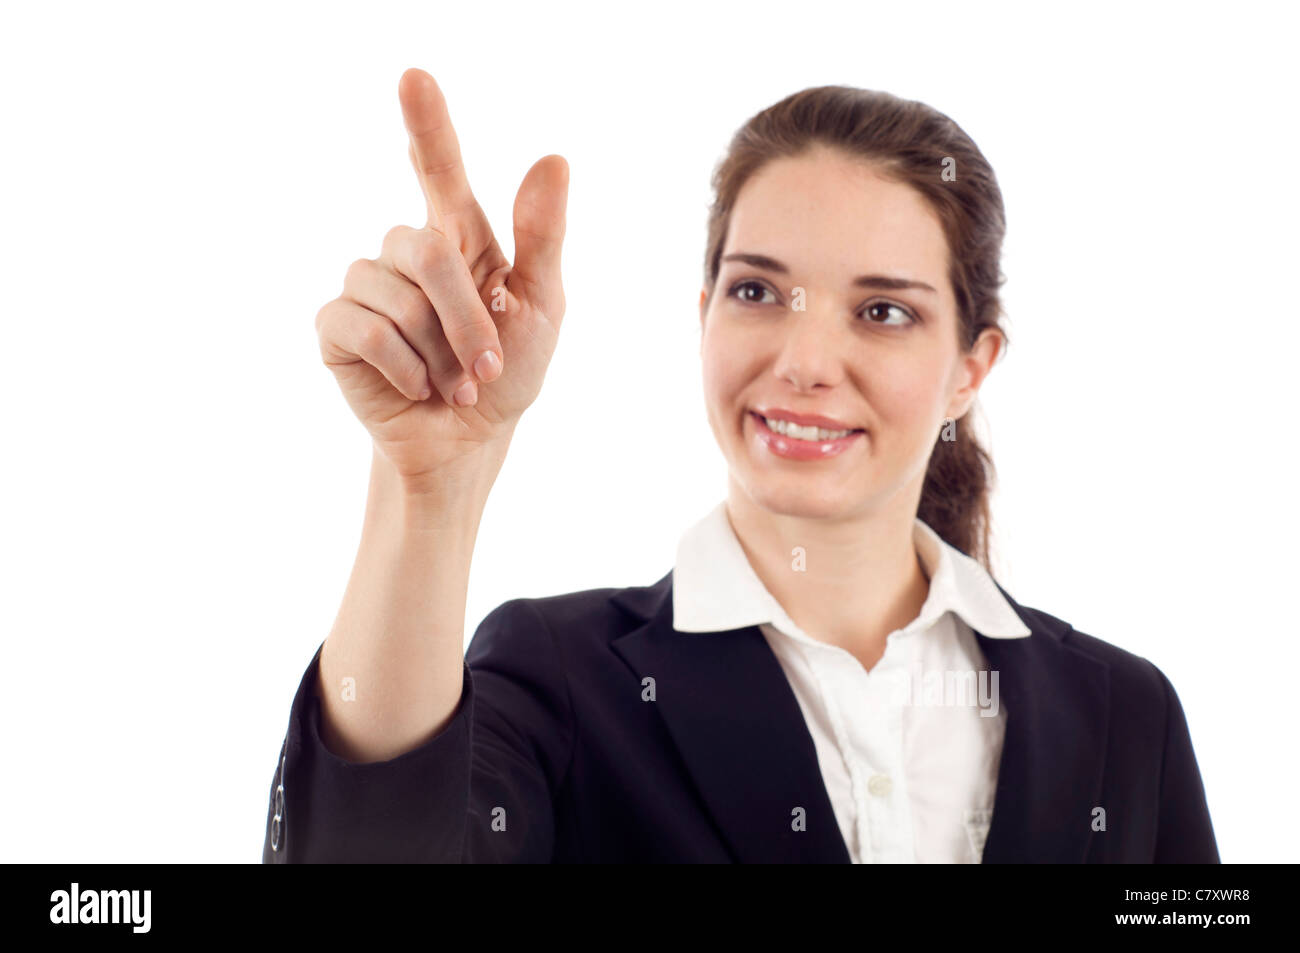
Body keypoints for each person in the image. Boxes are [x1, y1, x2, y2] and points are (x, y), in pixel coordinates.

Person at [261, 67, 1218, 863]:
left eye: (883, 310)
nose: (803, 361)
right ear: (704, 310)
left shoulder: (1126, 719)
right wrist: (429, 488)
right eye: (758, 289)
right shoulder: (563, 678)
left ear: (971, 367)